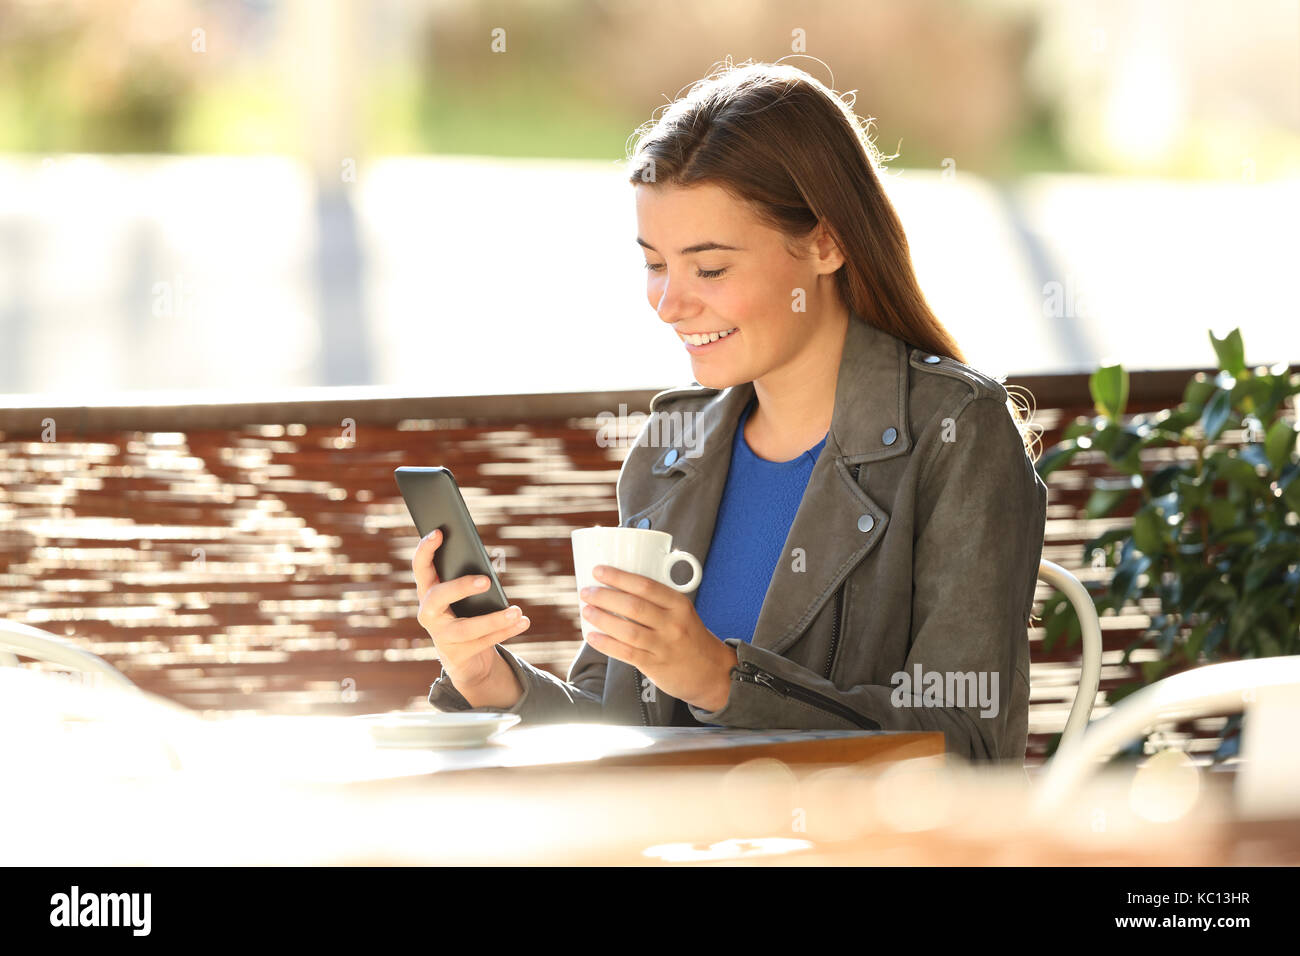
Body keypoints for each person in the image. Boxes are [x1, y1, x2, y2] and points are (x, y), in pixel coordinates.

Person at [414, 60, 1047, 763]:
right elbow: (616, 727)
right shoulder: (671, 448)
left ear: (826, 243)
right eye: (655, 263)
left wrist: (722, 681)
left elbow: (968, 747)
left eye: (709, 269)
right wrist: (490, 680)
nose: (668, 303)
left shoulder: (957, 433)